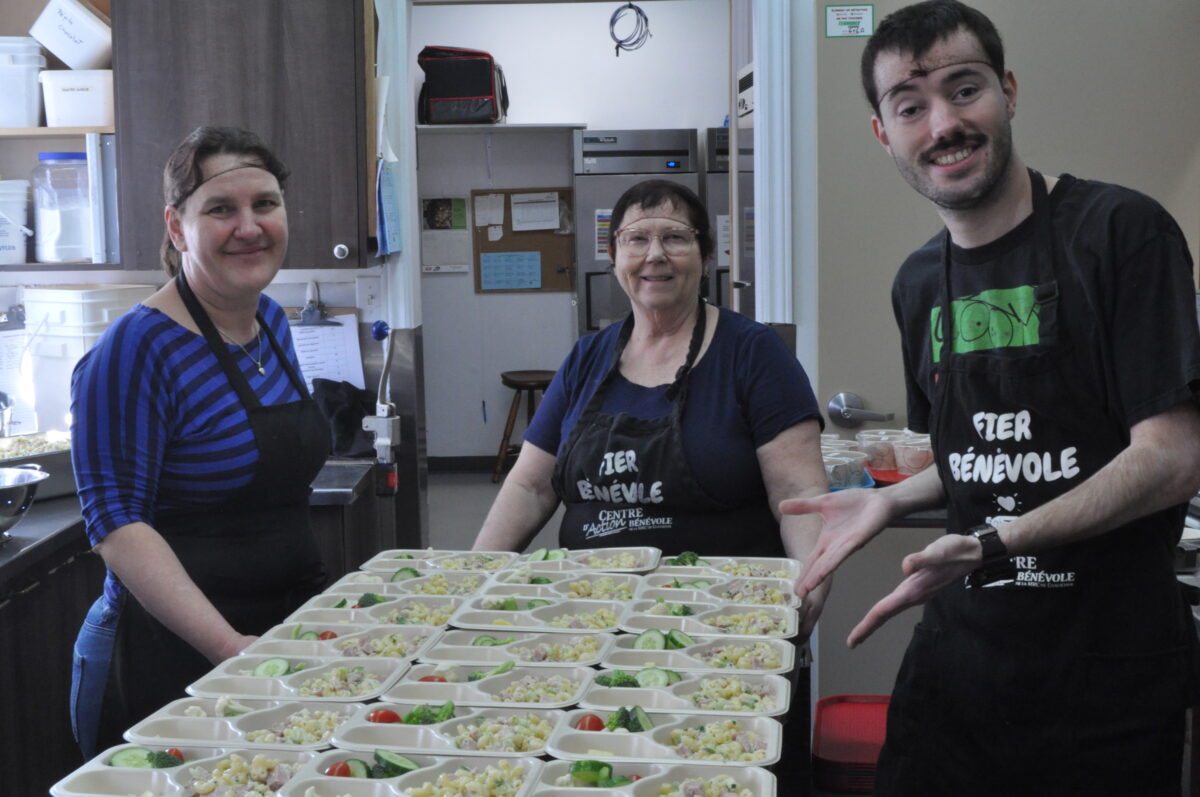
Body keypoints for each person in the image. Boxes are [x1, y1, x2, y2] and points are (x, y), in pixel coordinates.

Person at [782, 2, 1200, 793]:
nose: (944, 123)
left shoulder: (1120, 234)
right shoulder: (916, 283)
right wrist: (891, 500)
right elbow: (969, 454)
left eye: (964, 89)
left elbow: (1175, 455)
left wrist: (994, 542)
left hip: (1104, 680)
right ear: (884, 133)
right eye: (911, 106)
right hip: (959, 672)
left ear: (1007, 90)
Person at [69, 127, 332, 758]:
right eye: (221, 208)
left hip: (280, 633)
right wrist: (228, 649)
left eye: (264, 204)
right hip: (178, 654)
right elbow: (114, 523)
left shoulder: (269, 319)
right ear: (177, 227)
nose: (249, 225)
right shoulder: (136, 350)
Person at [471, 179, 829, 632]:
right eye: (636, 238)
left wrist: (810, 583)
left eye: (675, 237)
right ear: (614, 255)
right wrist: (475, 576)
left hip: (724, 616)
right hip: (590, 617)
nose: (654, 254)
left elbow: (798, 496)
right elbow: (531, 487)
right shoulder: (587, 358)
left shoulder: (753, 353)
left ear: (706, 256)